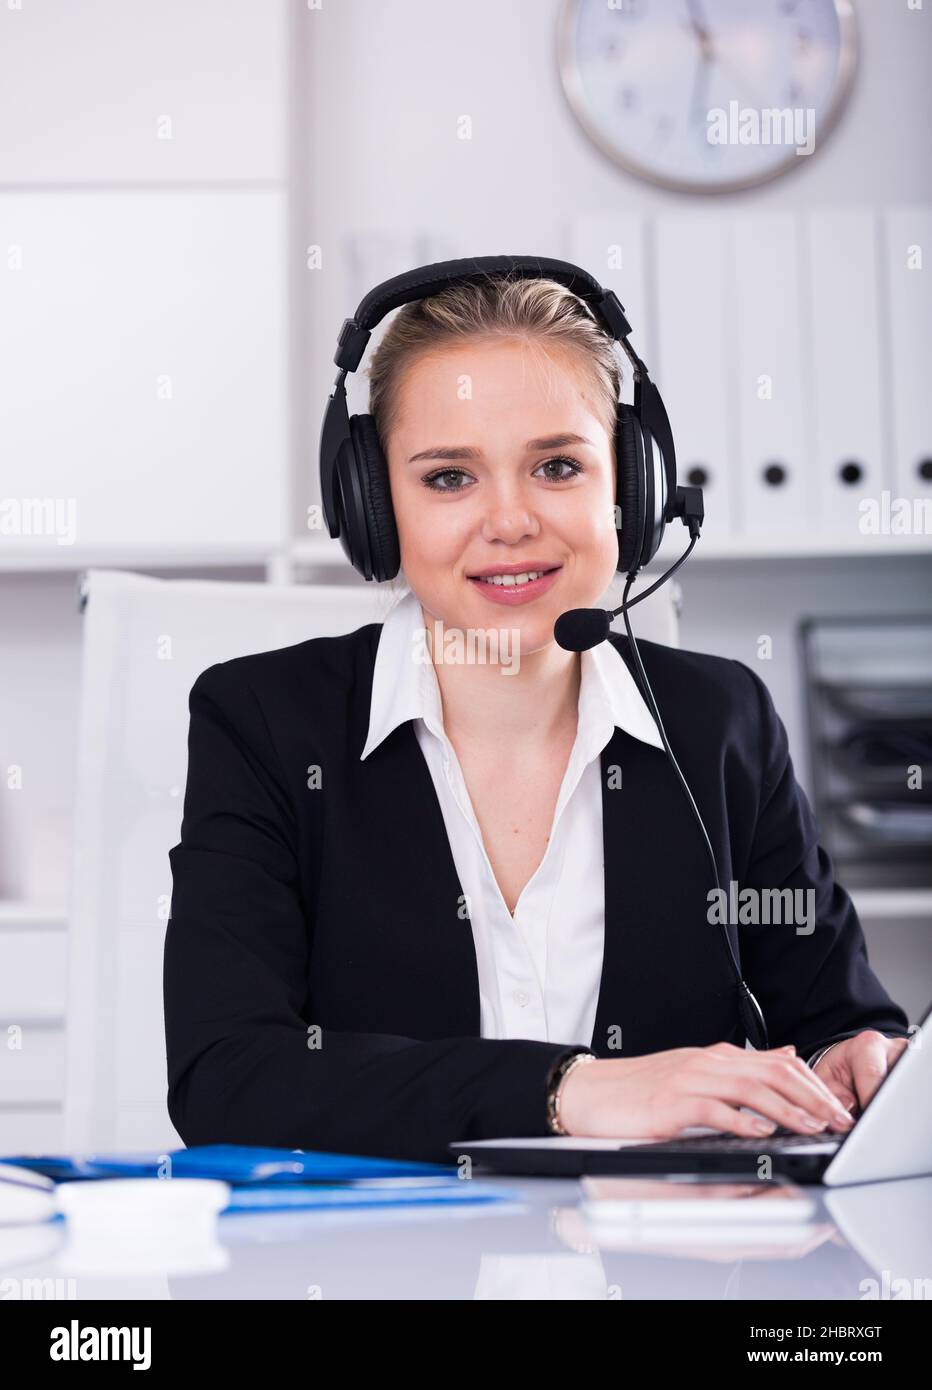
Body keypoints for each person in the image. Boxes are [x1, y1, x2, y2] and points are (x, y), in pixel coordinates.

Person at [163, 272, 910, 1163]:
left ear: (628, 486)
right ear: (373, 508)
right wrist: (568, 1089)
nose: (510, 521)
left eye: (557, 467)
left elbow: (833, 1015)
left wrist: (854, 1061)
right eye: (449, 477)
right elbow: (226, 1077)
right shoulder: (265, 722)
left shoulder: (718, 723)